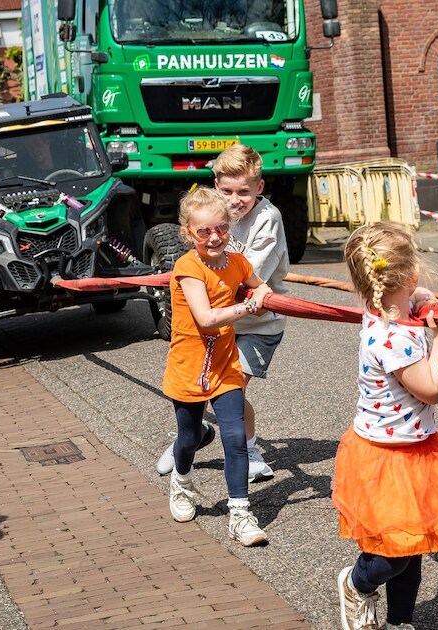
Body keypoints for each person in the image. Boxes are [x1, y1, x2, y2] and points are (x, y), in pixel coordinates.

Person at [333, 222, 438, 630]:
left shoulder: (384, 308)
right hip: (385, 457)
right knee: (392, 554)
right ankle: (357, 583)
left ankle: (399, 621)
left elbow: (405, 297)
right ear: (409, 273)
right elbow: (432, 389)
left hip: (414, 449)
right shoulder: (393, 338)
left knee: (413, 548)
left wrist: (419, 297)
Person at [154, 144, 289, 482]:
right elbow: (200, 259)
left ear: (259, 187)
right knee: (200, 386)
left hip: (258, 322)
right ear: (216, 185)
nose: (234, 200)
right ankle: (191, 435)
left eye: (244, 192)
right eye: (227, 191)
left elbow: (244, 277)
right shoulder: (215, 214)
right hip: (220, 321)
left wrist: (199, 289)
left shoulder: (267, 219)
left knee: (232, 388)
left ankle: (249, 449)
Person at [161, 186, 273, 547]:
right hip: (189, 367)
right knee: (189, 438)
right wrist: (249, 306)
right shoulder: (188, 267)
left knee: (235, 436)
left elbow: (261, 286)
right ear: (188, 233)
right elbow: (206, 318)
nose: (214, 237)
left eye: (222, 228)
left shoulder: (237, 263)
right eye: (204, 231)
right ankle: (181, 482)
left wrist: (261, 292)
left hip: (225, 366)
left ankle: (240, 513)